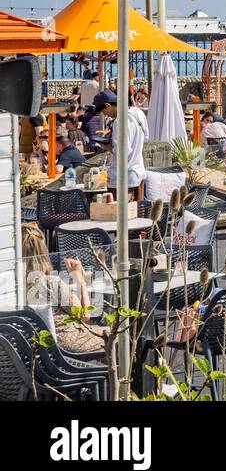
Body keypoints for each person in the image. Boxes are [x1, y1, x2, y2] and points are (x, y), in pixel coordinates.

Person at [20, 225, 106, 357]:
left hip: (39, 350)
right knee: (120, 334)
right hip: (69, 343)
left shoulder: (14, 288)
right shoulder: (50, 283)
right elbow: (85, 315)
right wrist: (78, 276)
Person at [102, 92, 147, 195]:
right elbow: (145, 137)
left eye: (104, 112)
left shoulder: (120, 121)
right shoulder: (138, 113)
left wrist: (107, 147)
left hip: (124, 180)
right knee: (137, 210)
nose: (105, 115)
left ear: (108, 106)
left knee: (122, 211)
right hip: (138, 174)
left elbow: (122, 153)